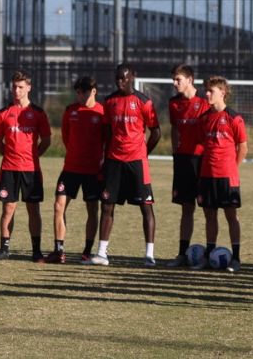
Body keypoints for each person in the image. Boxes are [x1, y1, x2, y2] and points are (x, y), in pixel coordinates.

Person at [88, 63, 161, 267]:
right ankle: (101, 253)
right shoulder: (109, 101)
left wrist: (143, 153)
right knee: (107, 206)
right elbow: (108, 132)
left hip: (137, 161)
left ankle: (149, 255)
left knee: (146, 207)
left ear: (133, 77)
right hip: (114, 161)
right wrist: (105, 158)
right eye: (117, 78)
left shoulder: (143, 102)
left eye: (124, 78)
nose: (120, 82)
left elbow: (156, 132)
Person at [0, 71, 52, 261]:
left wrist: (33, 156)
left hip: (31, 170)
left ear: (28, 88)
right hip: (9, 169)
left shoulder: (38, 113)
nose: (16, 91)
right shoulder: (3, 113)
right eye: (14, 87)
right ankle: (4, 249)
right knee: (8, 208)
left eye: (20, 87)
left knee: (33, 209)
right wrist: (9, 155)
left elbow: (47, 140)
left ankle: (36, 250)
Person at [46, 76, 105, 264]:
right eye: (78, 93)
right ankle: (59, 250)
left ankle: (87, 250)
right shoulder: (70, 111)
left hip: (93, 171)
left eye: (84, 92)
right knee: (58, 206)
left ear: (94, 91)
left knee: (92, 209)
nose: (80, 96)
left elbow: (106, 140)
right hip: (70, 168)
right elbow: (66, 136)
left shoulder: (103, 112)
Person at [194, 76, 247, 273]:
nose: (207, 94)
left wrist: (233, 167)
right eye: (206, 90)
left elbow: (243, 147)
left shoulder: (234, 118)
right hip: (207, 176)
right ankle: (208, 254)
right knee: (210, 217)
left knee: (231, 216)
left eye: (211, 91)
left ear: (222, 93)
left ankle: (237, 257)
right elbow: (202, 144)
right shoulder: (204, 119)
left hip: (227, 177)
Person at [166, 64, 208, 267]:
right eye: (173, 80)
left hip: (202, 160)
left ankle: (210, 253)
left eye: (178, 79)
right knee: (187, 208)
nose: (174, 84)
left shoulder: (205, 101)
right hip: (182, 160)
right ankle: (182, 253)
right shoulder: (173, 103)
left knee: (209, 209)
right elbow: (174, 128)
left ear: (190, 79)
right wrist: (175, 152)